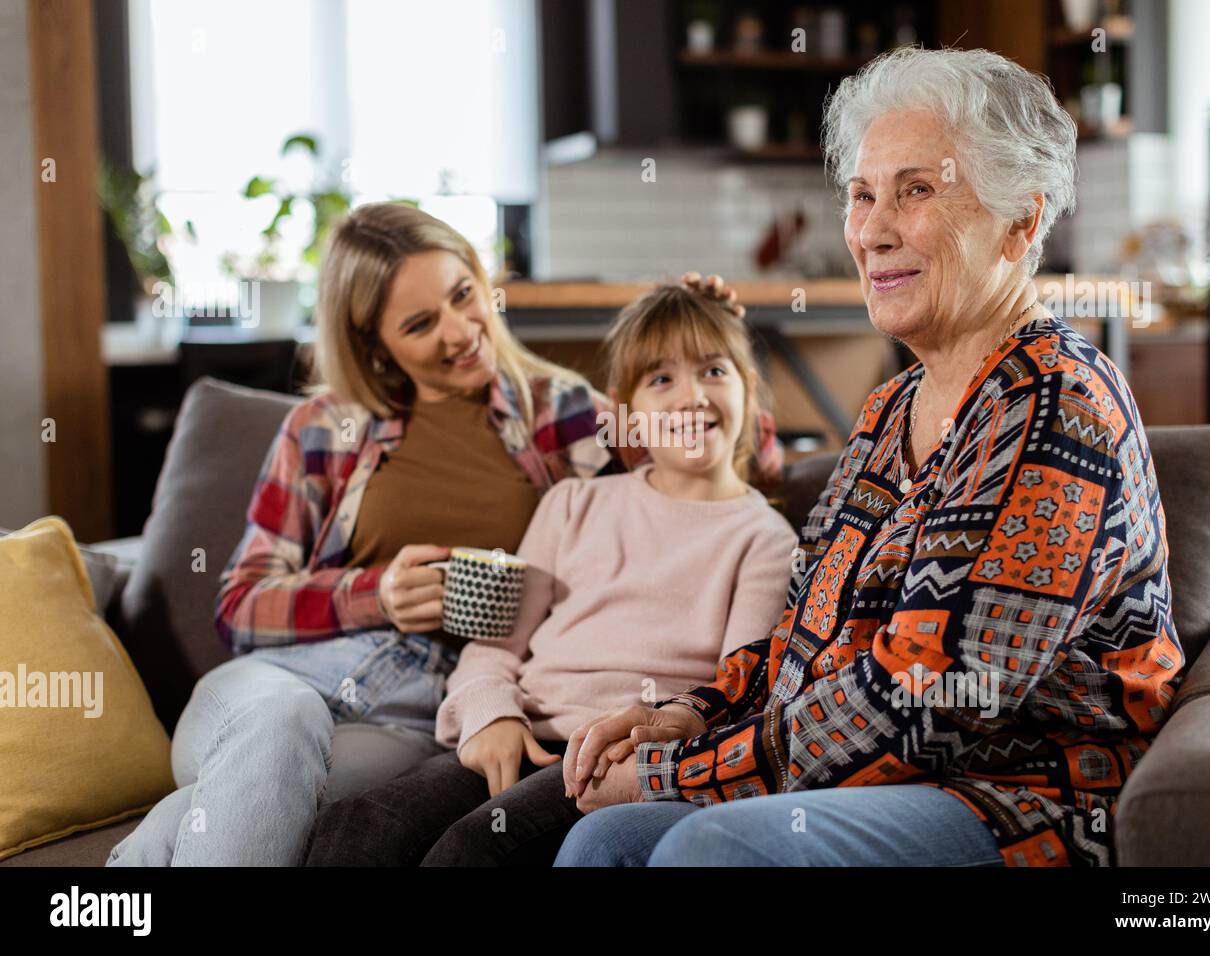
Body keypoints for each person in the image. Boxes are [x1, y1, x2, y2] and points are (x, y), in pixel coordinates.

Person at [556, 46, 1184, 869]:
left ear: (1021, 222)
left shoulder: (1056, 403)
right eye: (861, 195)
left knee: (707, 847)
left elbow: (933, 701)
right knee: (603, 840)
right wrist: (695, 714)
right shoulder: (893, 408)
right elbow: (810, 639)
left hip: (1023, 794)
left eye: (916, 190)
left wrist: (672, 775)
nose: (872, 230)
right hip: (872, 782)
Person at [107, 203, 780, 866]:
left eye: (464, 296)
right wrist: (377, 595)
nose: (460, 332)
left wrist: (710, 332)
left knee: (300, 810)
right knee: (280, 729)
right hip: (291, 677)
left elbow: (697, 448)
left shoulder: (555, 410)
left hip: (418, 704)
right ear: (374, 342)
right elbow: (239, 604)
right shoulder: (324, 426)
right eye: (422, 323)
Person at [305, 284, 798, 866]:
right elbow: (494, 645)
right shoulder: (571, 503)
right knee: (358, 826)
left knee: (468, 851)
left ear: (747, 389)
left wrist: (649, 742)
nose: (692, 397)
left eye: (714, 370)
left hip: (616, 756)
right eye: (661, 380)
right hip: (522, 730)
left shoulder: (765, 541)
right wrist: (492, 713)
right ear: (624, 413)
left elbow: (733, 695)